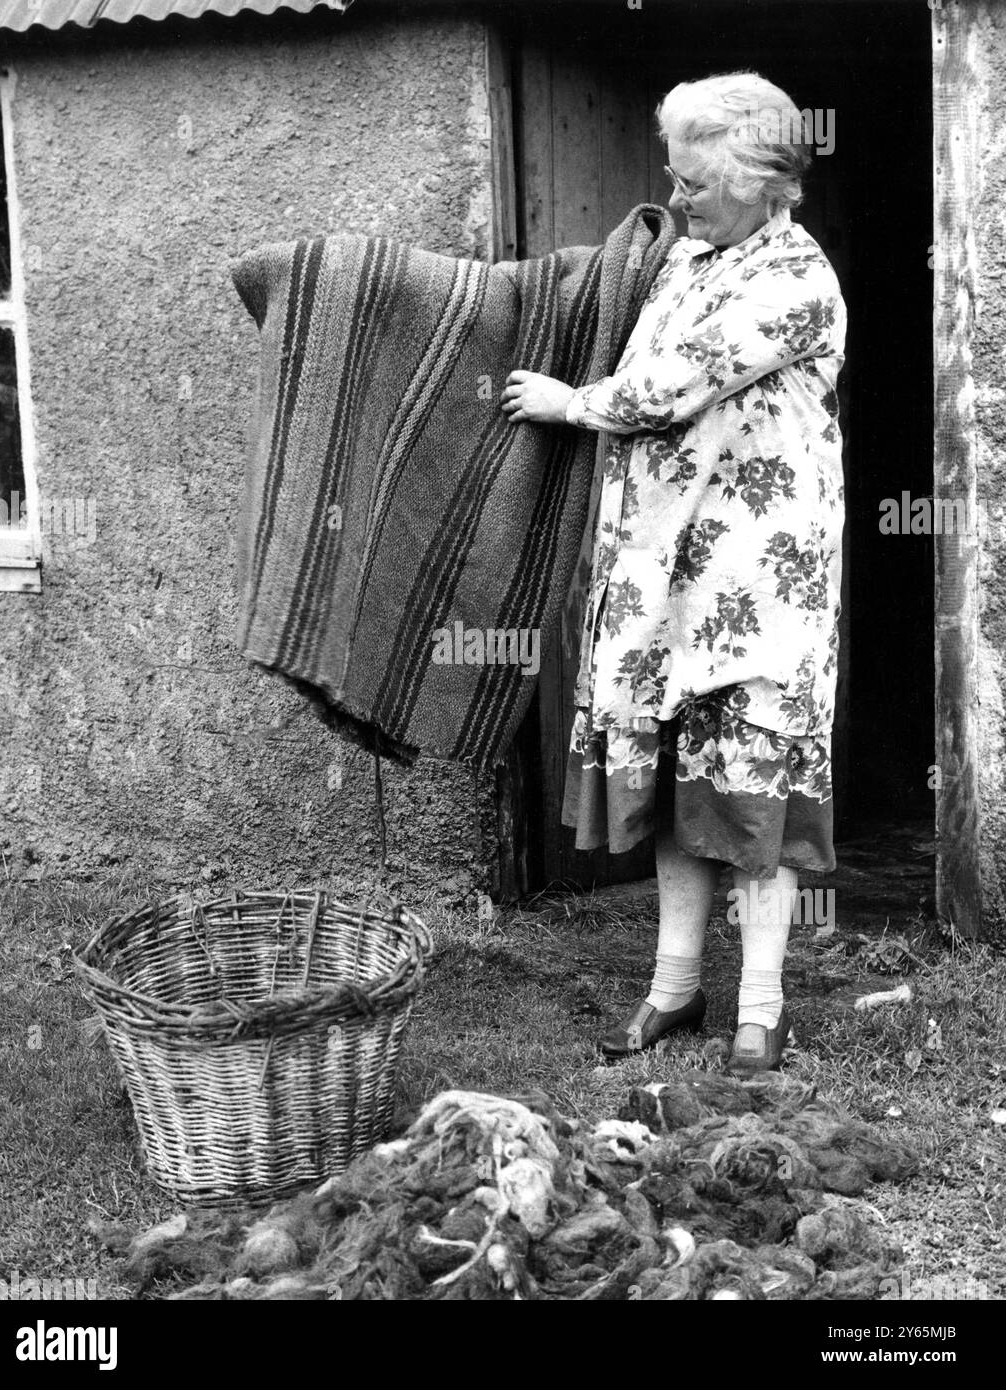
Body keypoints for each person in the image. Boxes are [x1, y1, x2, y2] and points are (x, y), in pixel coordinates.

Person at [500, 71, 846, 1077]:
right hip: (662, 577)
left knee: (750, 797)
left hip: (750, 586)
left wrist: (571, 404)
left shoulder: (794, 278)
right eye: (676, 174)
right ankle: (674, 989)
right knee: (675, 784)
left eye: (694, 179)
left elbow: (673, 381)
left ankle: (760, 1010)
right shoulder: (686, 260)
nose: (677, 193)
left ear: (762, 177)